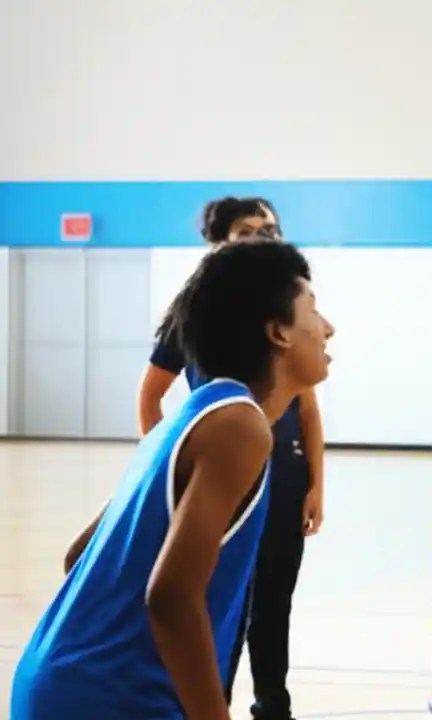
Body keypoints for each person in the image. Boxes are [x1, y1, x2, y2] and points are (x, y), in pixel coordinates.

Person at [10, 239, 334, 720]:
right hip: (108, 701)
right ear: (278, 333)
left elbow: (79, 554)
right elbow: (171, 596)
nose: (328, 328)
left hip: (56, 681)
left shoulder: (188, 416)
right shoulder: (238, 426)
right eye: (313, 310)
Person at [138, 196, 325, 720]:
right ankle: (208, 698)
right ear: (218, 241)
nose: (264, 237)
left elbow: (309, 409)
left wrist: (316, 483)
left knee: (273, 603)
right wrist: (166, 473)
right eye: (249, 231)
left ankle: (273, 705)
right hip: (226, 473)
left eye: (272, 229)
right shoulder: (199, 319)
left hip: (282, 475)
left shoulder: (287, 317)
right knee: (218, 602)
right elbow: (149, 395)